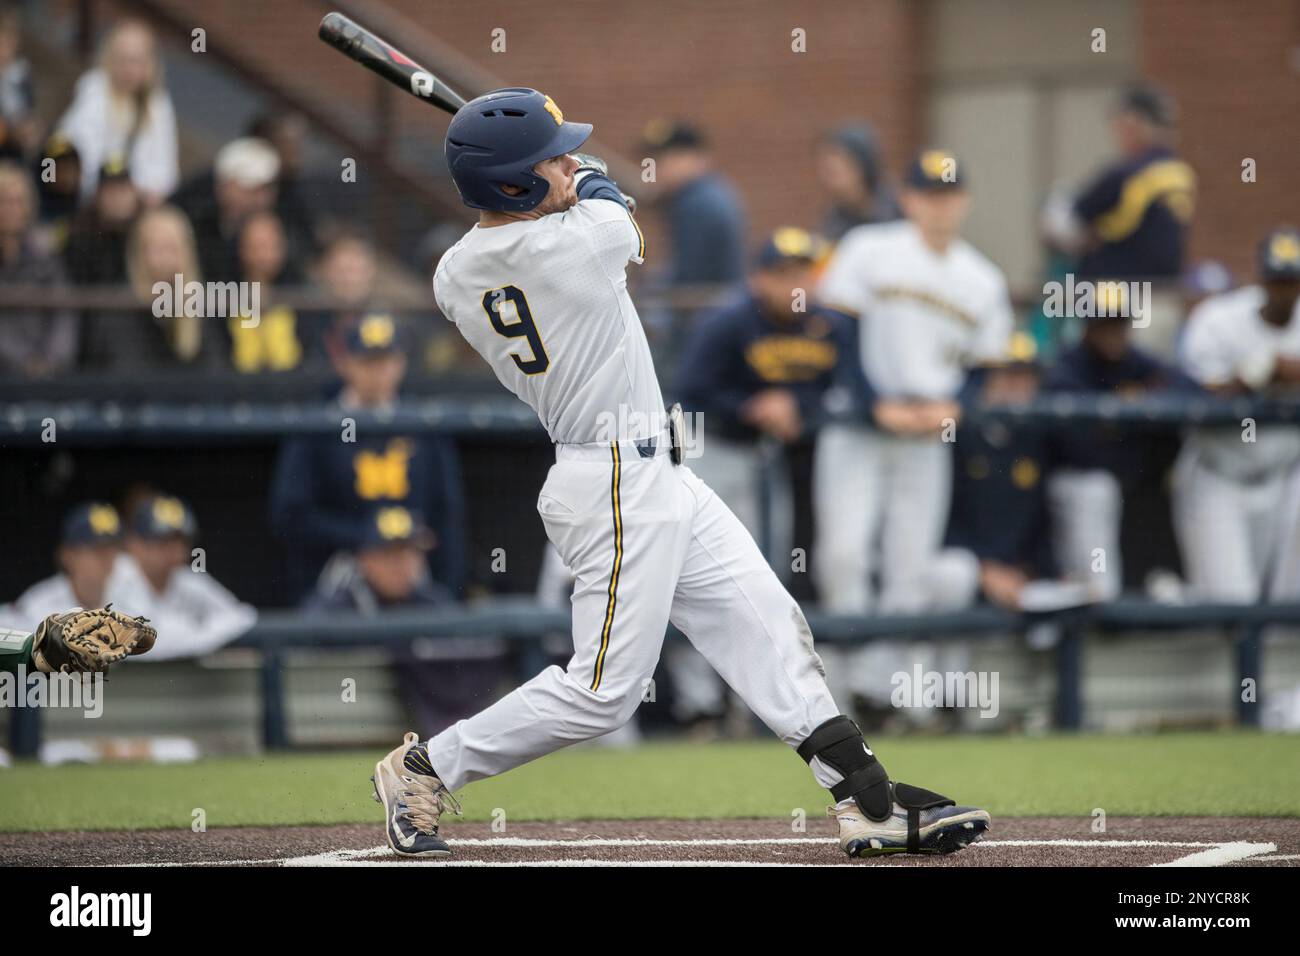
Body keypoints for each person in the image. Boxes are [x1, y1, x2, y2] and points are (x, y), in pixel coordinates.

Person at [374, 88, 989, 860]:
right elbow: (613, 210)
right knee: (603, 695)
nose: (568, 161)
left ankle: (862, 795)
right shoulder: (581, 243)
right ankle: (426, 767)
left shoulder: (454, 271)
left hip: (651, 473)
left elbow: (571, 205)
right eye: (549, 158)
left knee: (766, 623)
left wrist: (547, 167)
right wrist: (577, 174)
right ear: (513, 185)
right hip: (614, 483)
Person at [668, 227, 849, 734]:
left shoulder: (826, 325)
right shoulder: (727, 322)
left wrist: (796, 407)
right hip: (709, 456)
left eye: (804, 273)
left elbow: (838, 391)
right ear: (759, 279)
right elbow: (688, 390)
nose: (797, 285)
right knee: (692, 580)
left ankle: (758, 707)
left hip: (768, 463)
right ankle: (699, 705)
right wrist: (751, 406)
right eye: (784, 274)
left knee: (765, 583)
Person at [814, 150, 1011, 616]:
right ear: (907, 199)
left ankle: (885, 686)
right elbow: (838, 334)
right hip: (857, 423)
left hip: (927, 428)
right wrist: (871, 403)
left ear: (964, 200)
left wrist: (956, 406)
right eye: (929, 194)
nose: (940, 206)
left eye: (949, 195)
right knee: (843, 554)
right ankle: (838, 683)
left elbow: (983, 365)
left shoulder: (983, 278)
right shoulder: (868, 247)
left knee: (911, 565)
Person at [269, 312, 467, 602]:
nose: (379, 373)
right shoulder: (315, 427)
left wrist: (442, 579)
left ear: (401, 364)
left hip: (415, 572)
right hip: (341, 570)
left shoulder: (425, 427)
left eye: (387, 361)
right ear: (345, 363)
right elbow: (290, 515)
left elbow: (447, 514)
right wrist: (365, 542)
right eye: (368, 362)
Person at [1173, 226, 1300, 602]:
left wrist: (1283, 367)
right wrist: (1255, 374)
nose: (1285, 291)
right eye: (1278, 280)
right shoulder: (1219, 320)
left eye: (1293, 281)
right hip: (1221, 475)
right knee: (1232, 606)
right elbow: (1194, 394)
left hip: (1285, 476)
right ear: (1261, 278)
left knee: (1288, 612)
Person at [108, 494, 256, 659]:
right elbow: (150, 645)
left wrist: (192, 635)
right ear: (135, 544)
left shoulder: (186, 579)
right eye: (163, 542)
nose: (175, 551)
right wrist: (200, 633)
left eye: (181, 542)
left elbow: (242, 616)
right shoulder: (116, 576)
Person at [55, 18, 178, 203]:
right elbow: (76, 145)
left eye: (135, 61)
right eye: (122, 59)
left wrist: (137, 192)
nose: (128, 69)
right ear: (109, 58)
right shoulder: (94, 88)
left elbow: (165, 170)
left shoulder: (157, 103)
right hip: (91, 198)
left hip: (135, 202)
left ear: (150, 64)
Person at [82, 203, 216, 371]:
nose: (166, 259)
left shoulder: (202, 311)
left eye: (173, 248)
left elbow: (214, 372)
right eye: (157, 249)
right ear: (139, 253)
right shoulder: (117, 312)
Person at [640, 120, 746, 287]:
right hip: (717, 299)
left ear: (693, 158)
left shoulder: (696, 204)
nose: (656, 168)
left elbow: (689, 278)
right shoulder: (708, 192)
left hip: (707, 305)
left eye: (662, 159)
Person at [0, 160, 77, 378]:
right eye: (4, 202)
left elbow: (63, 315)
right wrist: (24, 362)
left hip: (46, 376)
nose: (11, 210)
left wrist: (50, 361)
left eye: (18, 202)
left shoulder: (45, 256)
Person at [2, 503, 124, 630]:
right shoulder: (38, 608)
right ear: (68, 556)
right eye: (97, 550)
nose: (107, 557)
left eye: (112, 548)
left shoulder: (130, 598)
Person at [176, 136, 280, 284]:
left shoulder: (279, 228)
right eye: (249, 188)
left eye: (266, 187)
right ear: (223, 187)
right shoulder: (197, 225)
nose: (260, 198)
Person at [63, 157, 140, 286]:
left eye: (122, 190)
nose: (117, 199)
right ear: (98, 197)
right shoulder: (81, 239)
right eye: (110, 191)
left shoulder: (146, 233)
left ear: (134, 194)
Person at [815, 124, 899, 242]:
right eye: (826, 170)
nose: (827, 178)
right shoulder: (835, 219)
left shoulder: (900, 207)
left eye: (836, 171)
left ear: (863, 165)